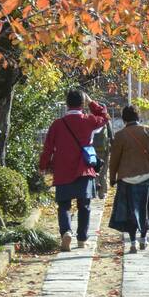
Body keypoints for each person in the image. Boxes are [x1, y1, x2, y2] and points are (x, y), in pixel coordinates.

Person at [39, 89, 109, 250]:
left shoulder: (57, 124)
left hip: (62, 170)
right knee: (84, 206)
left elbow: (48, 148)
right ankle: (82, 239)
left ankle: (66, 232)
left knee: (63, 205)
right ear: (82, 104)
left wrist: (43, 166)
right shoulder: (89, 120)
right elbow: (105, 117)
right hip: (83, 170)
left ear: (66, 104)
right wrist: (92, 102)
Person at [108, 105, 149, 253]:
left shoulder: (119, 136)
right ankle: (143, 239)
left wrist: (112, 178)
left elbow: (114, 160)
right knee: (145, 210)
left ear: (124, 119)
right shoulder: (147, 131)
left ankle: (132, 243)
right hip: (145, 176)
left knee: (130, 213)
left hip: (126, 180)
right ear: (138, 117)